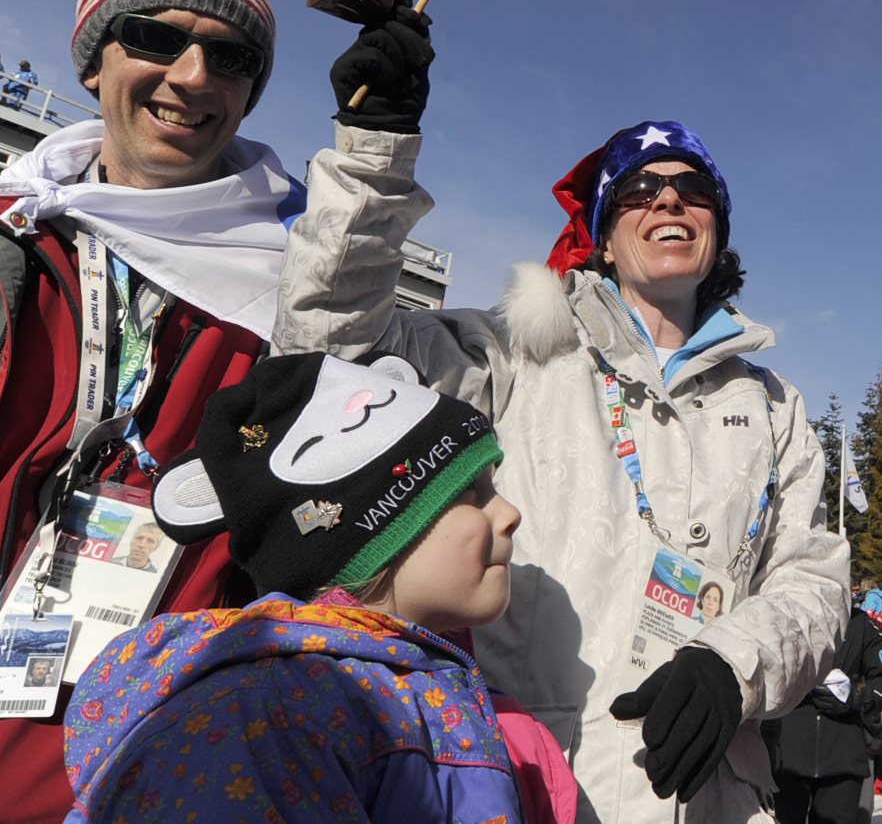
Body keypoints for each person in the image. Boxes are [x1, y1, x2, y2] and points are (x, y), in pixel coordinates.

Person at [271, 106, 851, 824]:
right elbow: (328, 360)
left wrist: (736, 666)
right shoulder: (516, 351)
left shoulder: (773, 406)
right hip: (525, 783)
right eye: (640, 190)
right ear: (605, 238)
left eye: (693, 189)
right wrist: (375, 154)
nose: (668, 199)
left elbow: (814, 583)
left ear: (717, 228)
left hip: (714, 796)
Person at [0, 0, 434, 824]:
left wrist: (377, 148)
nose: (193, 76)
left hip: (152, 758)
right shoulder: (18, 241)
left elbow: (333, 340)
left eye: (231, 58)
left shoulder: (282, 274)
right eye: (155, 38)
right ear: (93, 62)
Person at [62, 350, 574, 824]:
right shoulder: (272, 716)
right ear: (371, 538)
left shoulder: (467, 705)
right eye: (471, 492)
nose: (510, 514)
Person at [765, 605, 882, 824]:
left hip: (842, 757)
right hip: (787, 754)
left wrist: (859, 695)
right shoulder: (784, 614)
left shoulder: (860, 622)